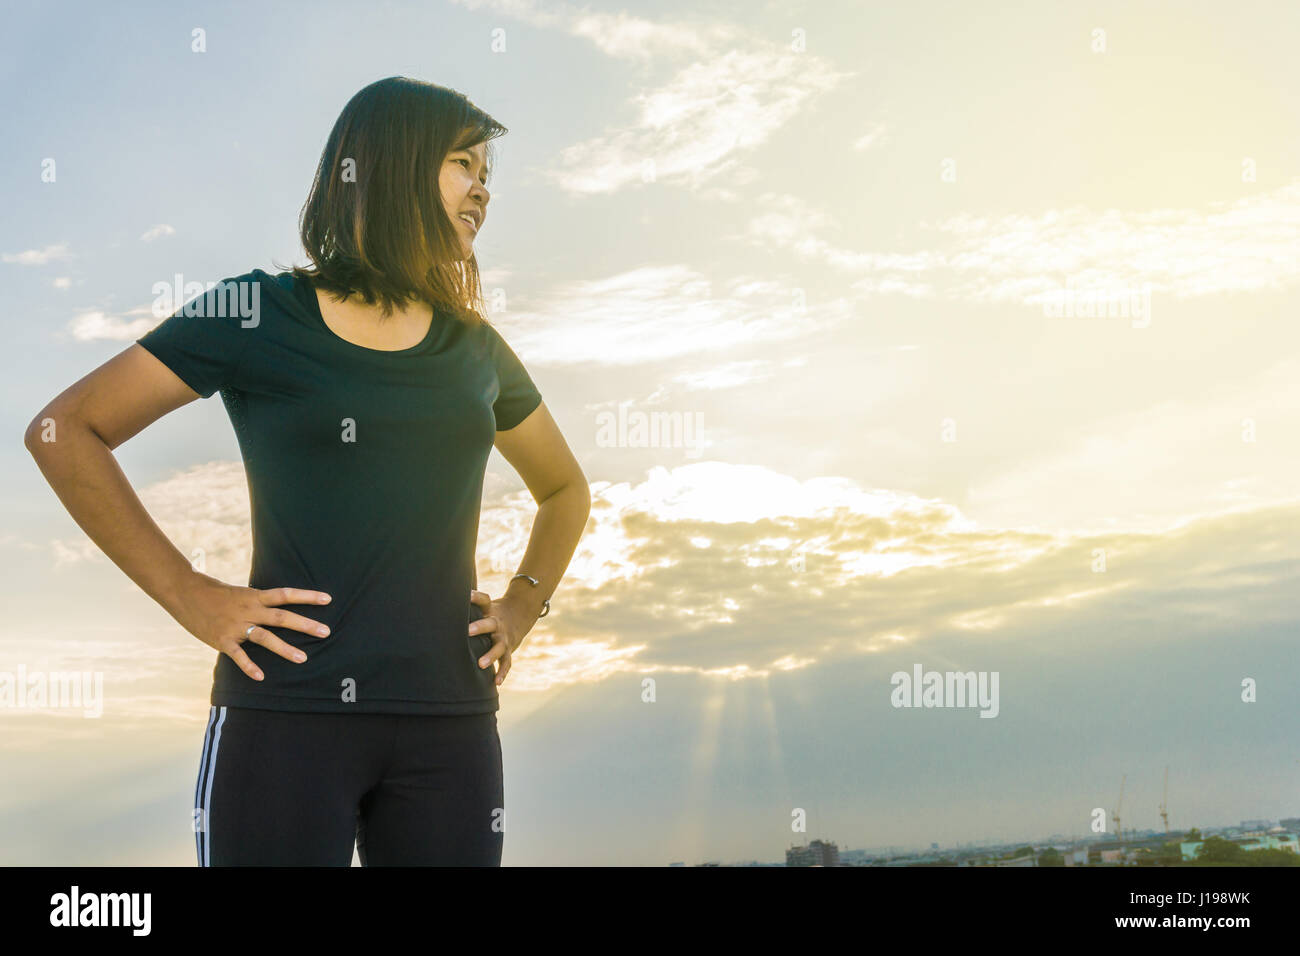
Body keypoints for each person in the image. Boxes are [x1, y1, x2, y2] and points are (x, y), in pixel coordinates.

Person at [22, 76, 591, 866]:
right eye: (464, 163)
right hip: (285, 717)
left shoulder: (476, 350)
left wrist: (525, 605)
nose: (483, 189)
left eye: (487, 173)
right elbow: (63, 430)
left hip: (450, 725)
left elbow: (565, 490)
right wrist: (191, 595)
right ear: (392, 164)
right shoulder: (256, 312)